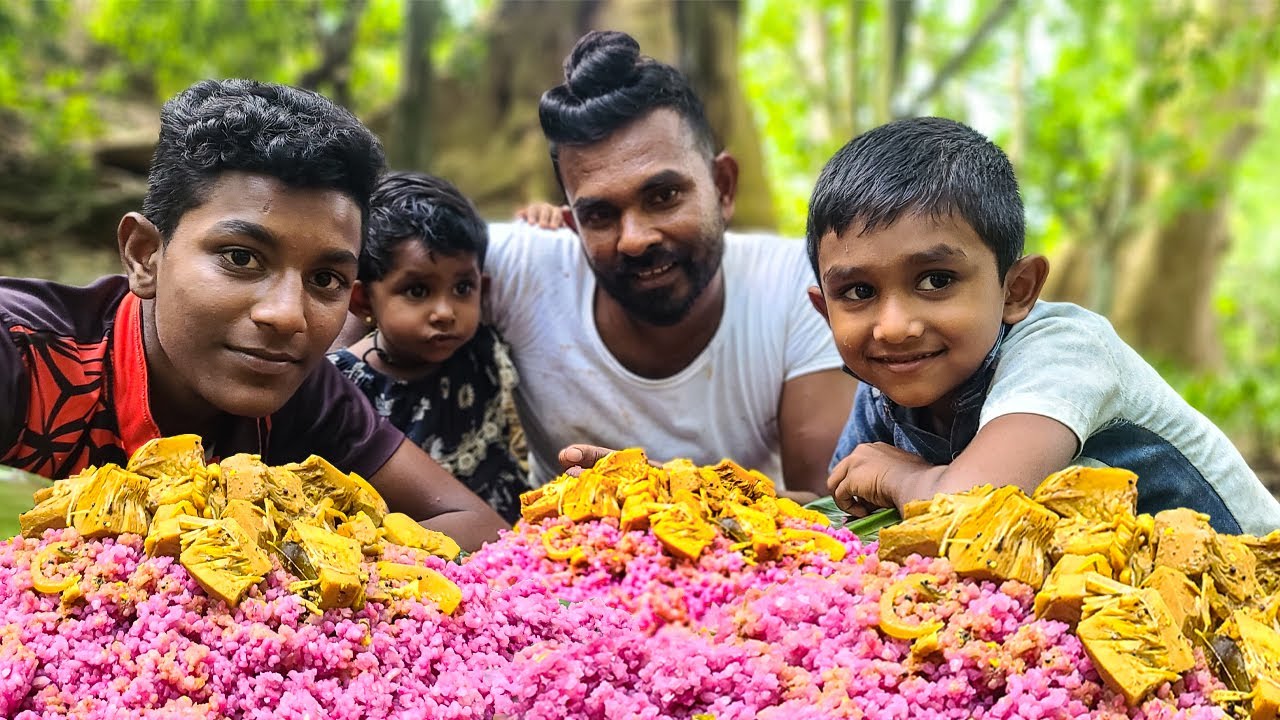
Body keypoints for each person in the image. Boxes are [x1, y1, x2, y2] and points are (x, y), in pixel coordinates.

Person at [0, 79, 507, 550]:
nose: (289, 317)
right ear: (144, 255)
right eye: (241, 258)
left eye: (325, 279)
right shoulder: (26, 359)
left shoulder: (296, 390)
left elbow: (477, 524)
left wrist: (309, 567)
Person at [811, 116, 1280, 535]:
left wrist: (901, 478)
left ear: (1017, 290)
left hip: (1250, 601)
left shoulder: (1065, 351)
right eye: (858, 292)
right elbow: (847, 520)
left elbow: (974, 510)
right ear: (824, 310)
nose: (893, 328)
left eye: (936, 280)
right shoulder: (885, 388)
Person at [484, 30, 856, 500]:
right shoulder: (524, 268)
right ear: (572, 223)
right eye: (599, 215)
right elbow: (376, 276)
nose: (635, 240)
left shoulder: (793, 287)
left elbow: (830, 510)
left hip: (742, 562)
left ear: (723, 187)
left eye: (663, 197)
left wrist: (667, 492)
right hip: (550, 562)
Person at [328, 171, 532, 523]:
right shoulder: (344, 387)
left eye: (462, 288)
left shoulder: (478, 345)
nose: (445, 312)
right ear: (363, 302)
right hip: (421, 557)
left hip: (514, 534)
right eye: (418, 291)